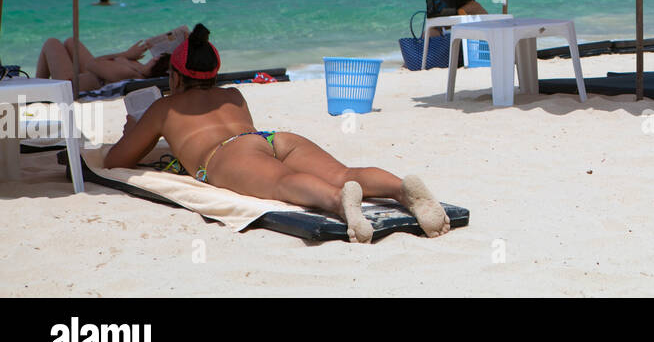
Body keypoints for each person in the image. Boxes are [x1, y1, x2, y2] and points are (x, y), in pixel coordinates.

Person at [103, 24, 448, 242]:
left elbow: (116, 160)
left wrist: (134, 130)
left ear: (175, 76)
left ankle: (337, 201)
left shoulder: (164, 108)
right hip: (271, 139)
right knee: (344, 172)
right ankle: (400, 188)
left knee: (284, 182)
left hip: (226, 154)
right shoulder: (233, 95)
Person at [36, 27, 189, 93]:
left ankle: (36, 91)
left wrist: (126, 54)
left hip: (70, 84)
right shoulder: (139, 70)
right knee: (71, 41)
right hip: (90, 75)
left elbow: (91, 64)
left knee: (52, 42)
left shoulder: (128, 73)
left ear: (156, 59)